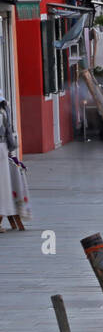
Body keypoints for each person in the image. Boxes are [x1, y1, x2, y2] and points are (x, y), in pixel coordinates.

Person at [0, 96, 28, 231]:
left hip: (2, 147)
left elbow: (7, 129)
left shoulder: (4, 108)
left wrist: (10, 148)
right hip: (2, 147)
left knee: (4, 184)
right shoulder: (4, 108)